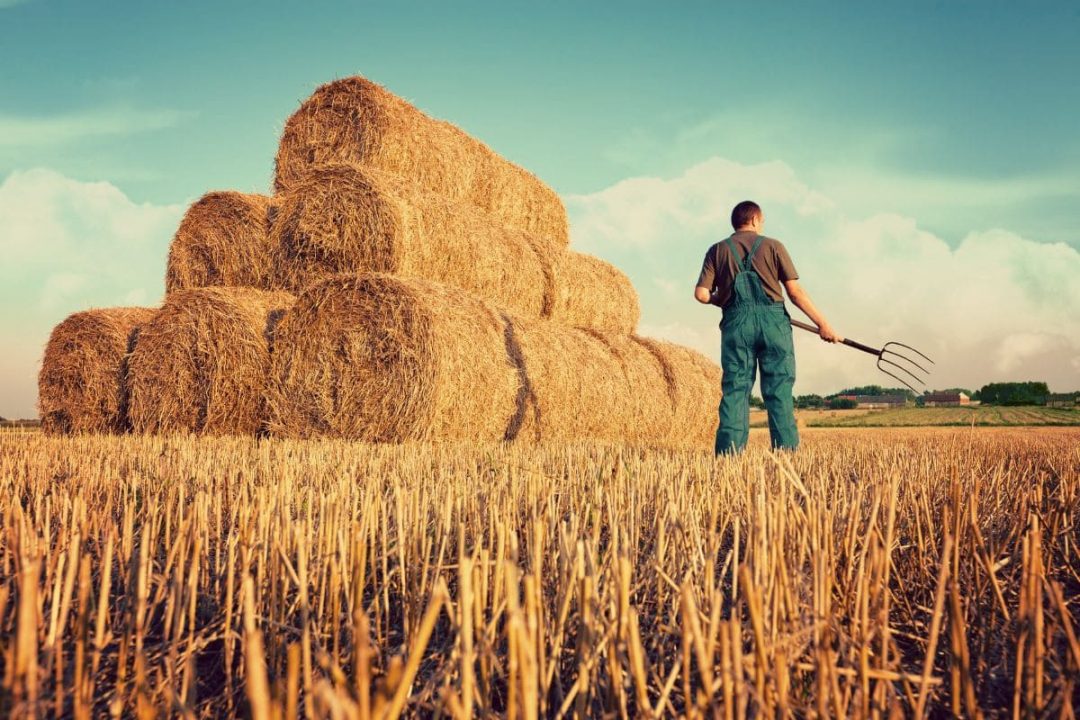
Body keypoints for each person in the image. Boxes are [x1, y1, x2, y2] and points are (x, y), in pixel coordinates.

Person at [694, 201, 840, 454]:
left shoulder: (716, 250)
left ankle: (728, 457)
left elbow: (701, 294)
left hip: (736, 325)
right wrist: (823, 324)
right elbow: (795, 292)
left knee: (736, 390)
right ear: (754, 220)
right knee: (778, 390)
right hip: (774, 325)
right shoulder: (774, 246)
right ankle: (786, 456)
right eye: (762, 221)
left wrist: (725, 299)